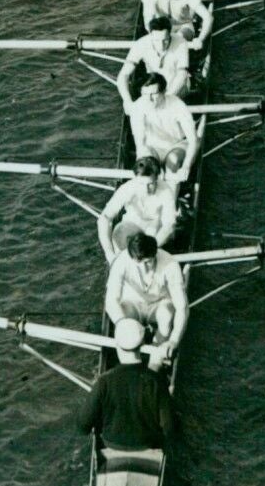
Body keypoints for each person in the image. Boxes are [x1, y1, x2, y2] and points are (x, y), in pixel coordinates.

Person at [77, 316, 175, 451]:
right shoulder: (156, 381)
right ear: (142, 345)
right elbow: (169, 428)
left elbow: (83, 427)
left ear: (117, 344)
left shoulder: (103, 381)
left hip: (110, 445)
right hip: (147, 446)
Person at [104, 231, 188, 373]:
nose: (144, 268)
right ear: (131, 257)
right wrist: (122, 325)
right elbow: (111, 301)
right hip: (133, 304)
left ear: (155, 254)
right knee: (122, 314)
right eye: (139, 263)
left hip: (159, 303)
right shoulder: (121, 261)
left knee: (167, 316)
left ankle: (153, 366)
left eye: (148, 262)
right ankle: (130, 362)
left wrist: (174, 340)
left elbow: (182, 308)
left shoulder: (170, 264)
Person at [97, 155, 180, 264]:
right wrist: (109, 253)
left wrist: (150, 249)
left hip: (154, 231)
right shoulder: (127, 188)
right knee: (118, 234)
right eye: (141, 183)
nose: (145, 190)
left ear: (157, 177)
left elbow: (169, 226)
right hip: (131, 226)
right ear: (135, 177)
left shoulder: (166, 192)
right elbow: (104, 218)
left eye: (150, 184)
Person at [126, 71, 198, 186]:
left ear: (164, 92)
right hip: (153, 148)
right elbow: (140, 142)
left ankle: (171, 199)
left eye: (154, 94)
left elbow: (193, 140)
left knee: (173, 161)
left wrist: (186, 167)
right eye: (145, 94)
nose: (149, 99)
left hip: (177, 145)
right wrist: (143, 165)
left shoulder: (178, 105)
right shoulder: (137, 107)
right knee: (145, 164)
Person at [117, 14, 196, 111]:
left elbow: (182, 75)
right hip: (154, 89)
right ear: (150, 34)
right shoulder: (140, 44)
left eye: (165, 40)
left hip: (178, 87)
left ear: (170, 33)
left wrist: (166, 98)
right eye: (157, 40)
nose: (161, 45)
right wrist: (127, 101)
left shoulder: (181, 43)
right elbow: (123, 75)